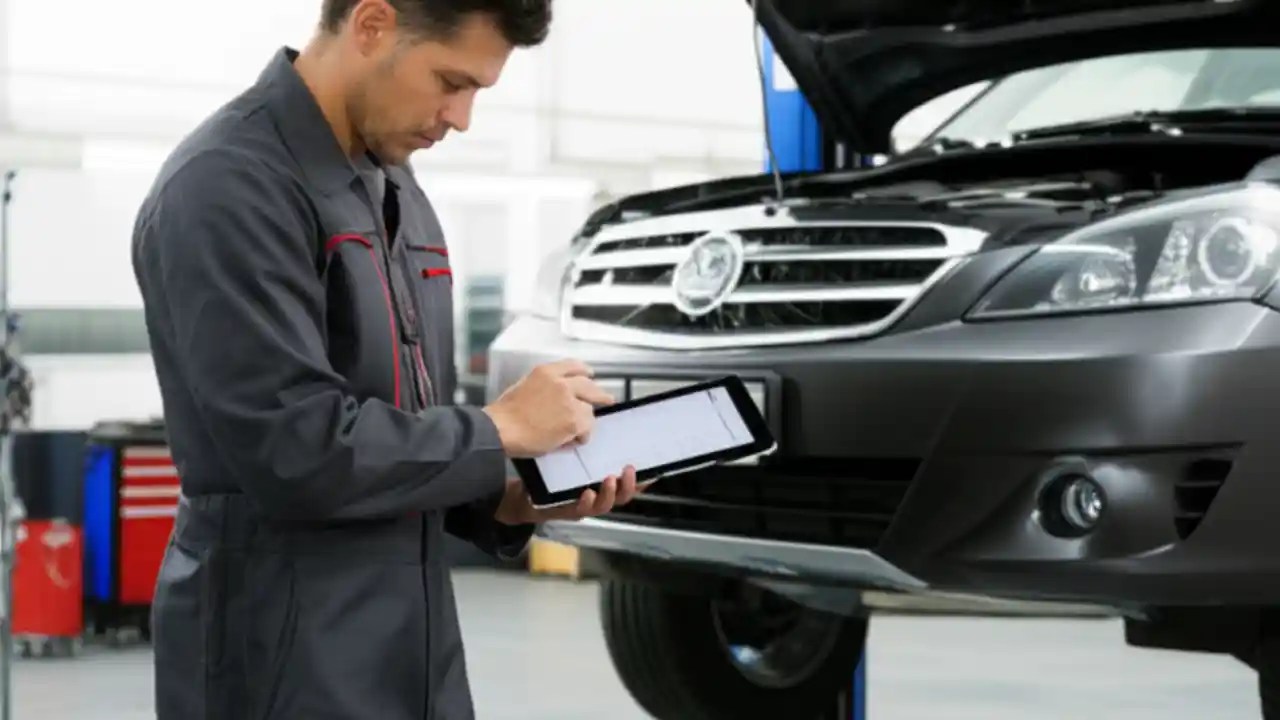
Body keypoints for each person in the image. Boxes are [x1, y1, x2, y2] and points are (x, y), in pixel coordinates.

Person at [129, 1, 641, 718]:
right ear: (371, 24)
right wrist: (497, 430)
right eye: (450, 81)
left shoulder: (398, 189)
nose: (460, 117)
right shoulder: (227, 186)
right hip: (277, 660)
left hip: (414, 654)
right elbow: (296, 450)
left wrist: (503, 497)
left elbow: (402, 427)